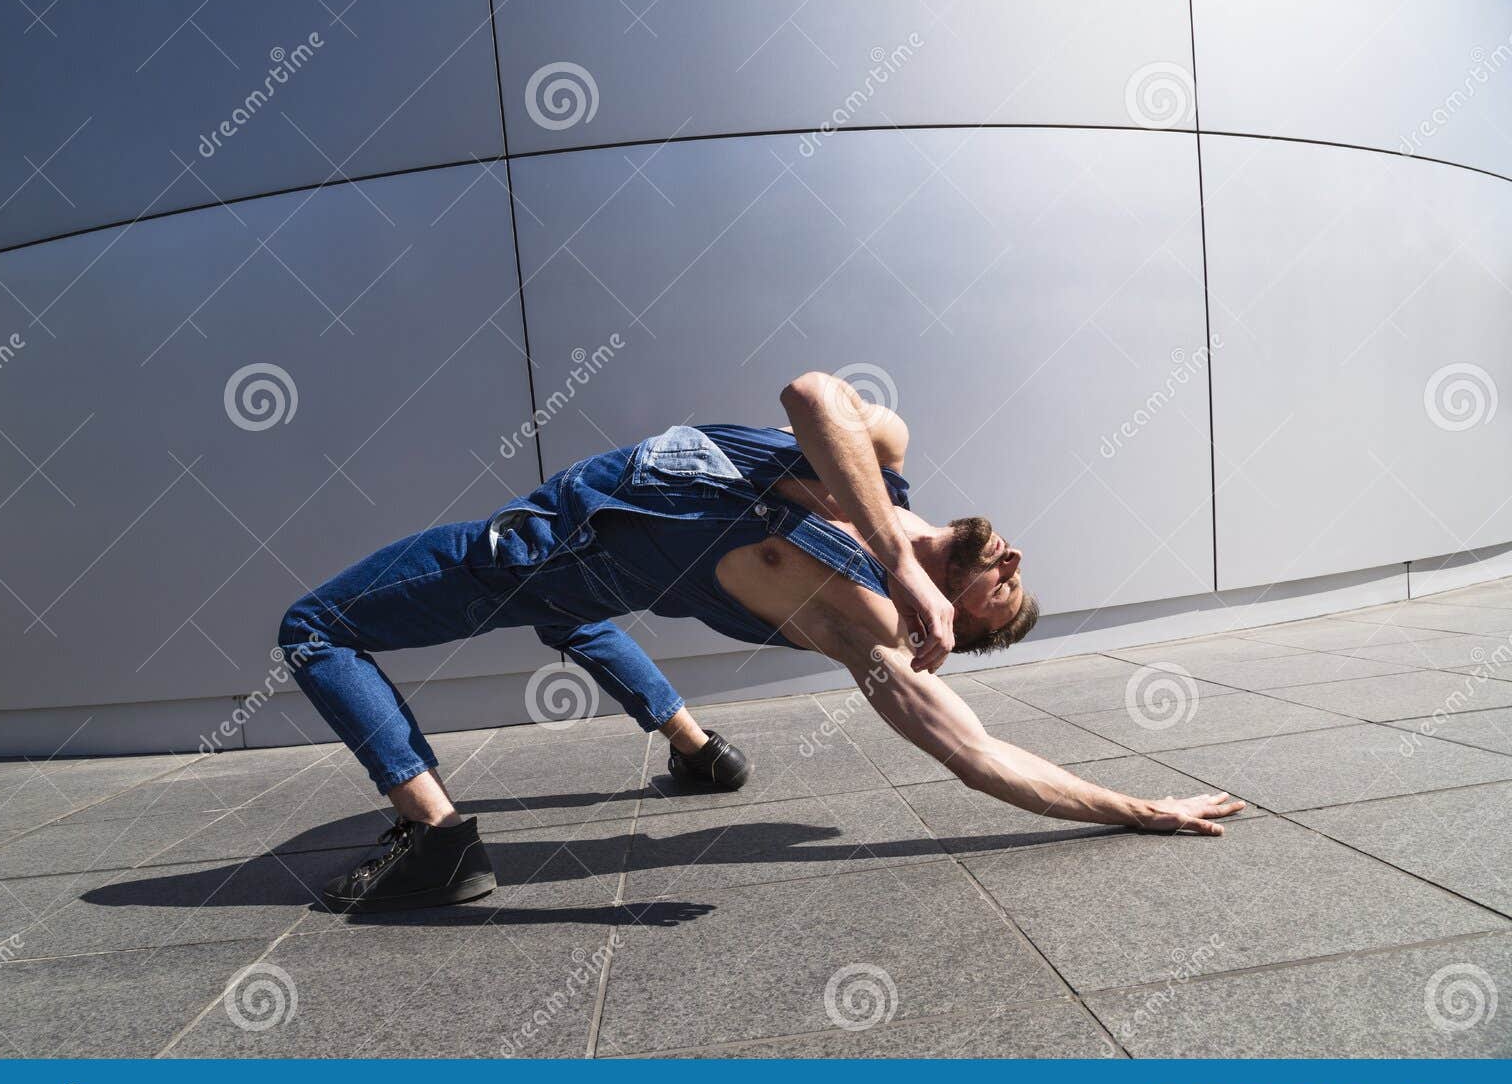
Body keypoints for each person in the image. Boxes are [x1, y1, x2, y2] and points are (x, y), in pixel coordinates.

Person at [278, 371, 1245, 912]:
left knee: (315, 626)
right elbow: (813, 394)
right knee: (569, 618)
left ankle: (438, 839)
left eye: (1008, 590)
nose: (1014, 557)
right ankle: (699, 751)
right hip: (604, 565)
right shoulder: (886, 464)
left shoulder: (865, 630)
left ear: (959, 625)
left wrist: (1139, 807)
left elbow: (977, 754)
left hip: (560, 538)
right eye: (1014, 568)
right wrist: (902, 557)